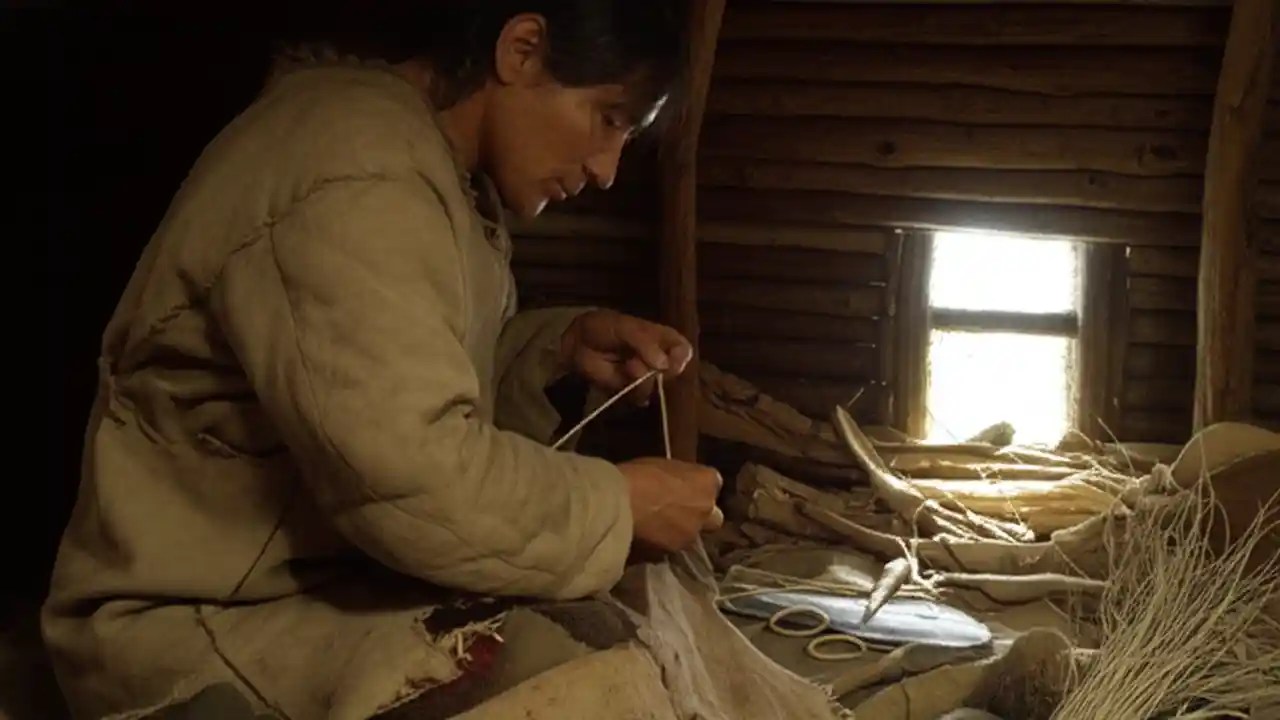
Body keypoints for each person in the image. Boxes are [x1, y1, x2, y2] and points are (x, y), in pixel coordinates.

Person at [42, 3, 725, 718]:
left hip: (314, 588)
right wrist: (617, 504)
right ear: (522, 51)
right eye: (609, 118)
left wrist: (555, 350)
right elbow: (412, 480)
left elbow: (389, 384)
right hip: (190, 621)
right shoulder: (355, 167)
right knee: (583, 690)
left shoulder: (431, 172)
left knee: (603, 631)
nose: (607, 170)